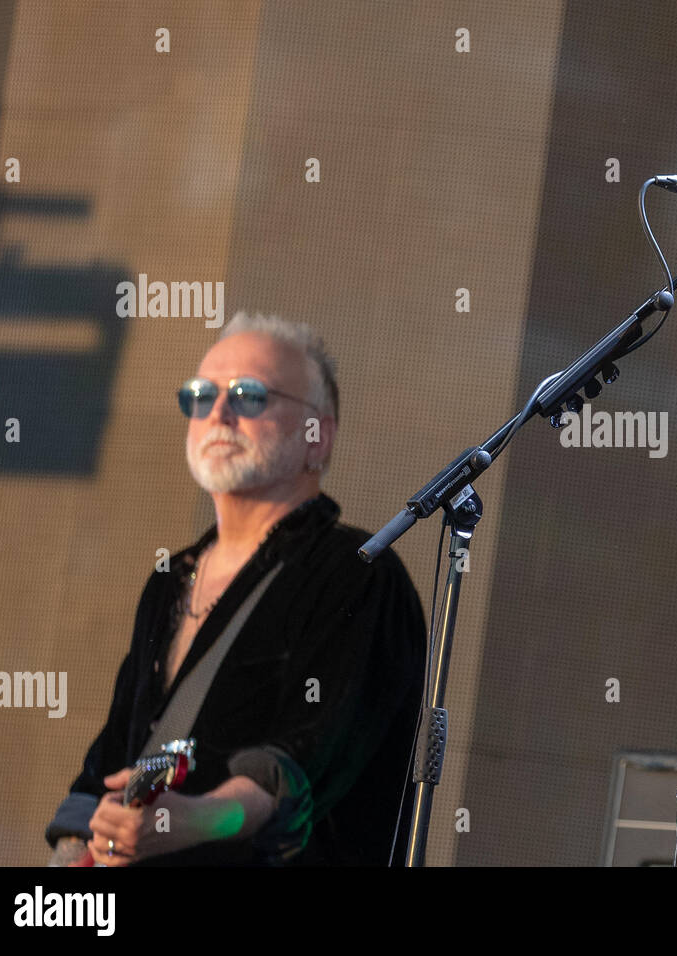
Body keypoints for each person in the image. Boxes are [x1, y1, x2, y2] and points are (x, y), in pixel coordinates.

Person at [45, 312, 425, 865]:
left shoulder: (359, 572)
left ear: (319, 436)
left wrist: (201, 818)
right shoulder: (171, 578)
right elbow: (114, 754)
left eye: (249, 396)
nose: (217, 412)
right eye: (200, 395)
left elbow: (309, 758)